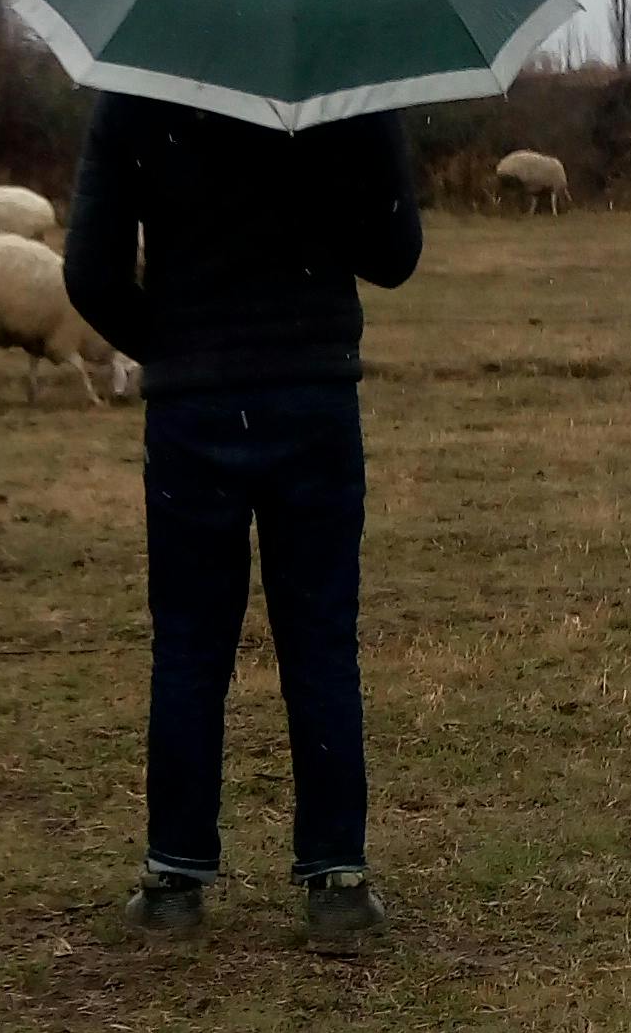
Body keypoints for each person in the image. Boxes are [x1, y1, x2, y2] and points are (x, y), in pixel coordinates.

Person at [61, 92, 424, 951]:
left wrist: (175, 346)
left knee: (188, 643)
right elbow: (395, 255)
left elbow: (89, 272)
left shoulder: (137, 93)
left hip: (192, 409)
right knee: (322, 638)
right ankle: (337, 881)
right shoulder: (350, 94)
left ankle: (175, 881)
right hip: (314, 398)